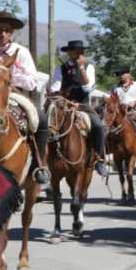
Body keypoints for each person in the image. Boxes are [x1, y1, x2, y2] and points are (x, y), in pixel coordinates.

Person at [0, 10, 49, 183]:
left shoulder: (22, 52)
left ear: (12, 32)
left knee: (41, 119)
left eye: (7, 30)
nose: (3, 33)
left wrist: (10, 78)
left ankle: (39, 166)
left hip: (14, 93)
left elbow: (32, 82)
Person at [48, 40, 108, 180]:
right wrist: (63, 100)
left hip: (82, 105)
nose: (79, 53)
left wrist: (81, 68)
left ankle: (99, 159)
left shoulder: (89, 67)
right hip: (63, 105)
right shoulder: (61, 68)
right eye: (75, 50)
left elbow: (87, 88)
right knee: (48, 125)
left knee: (99, 126)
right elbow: (55, 88)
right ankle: (44, 162)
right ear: (69, 52)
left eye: (80, 51)